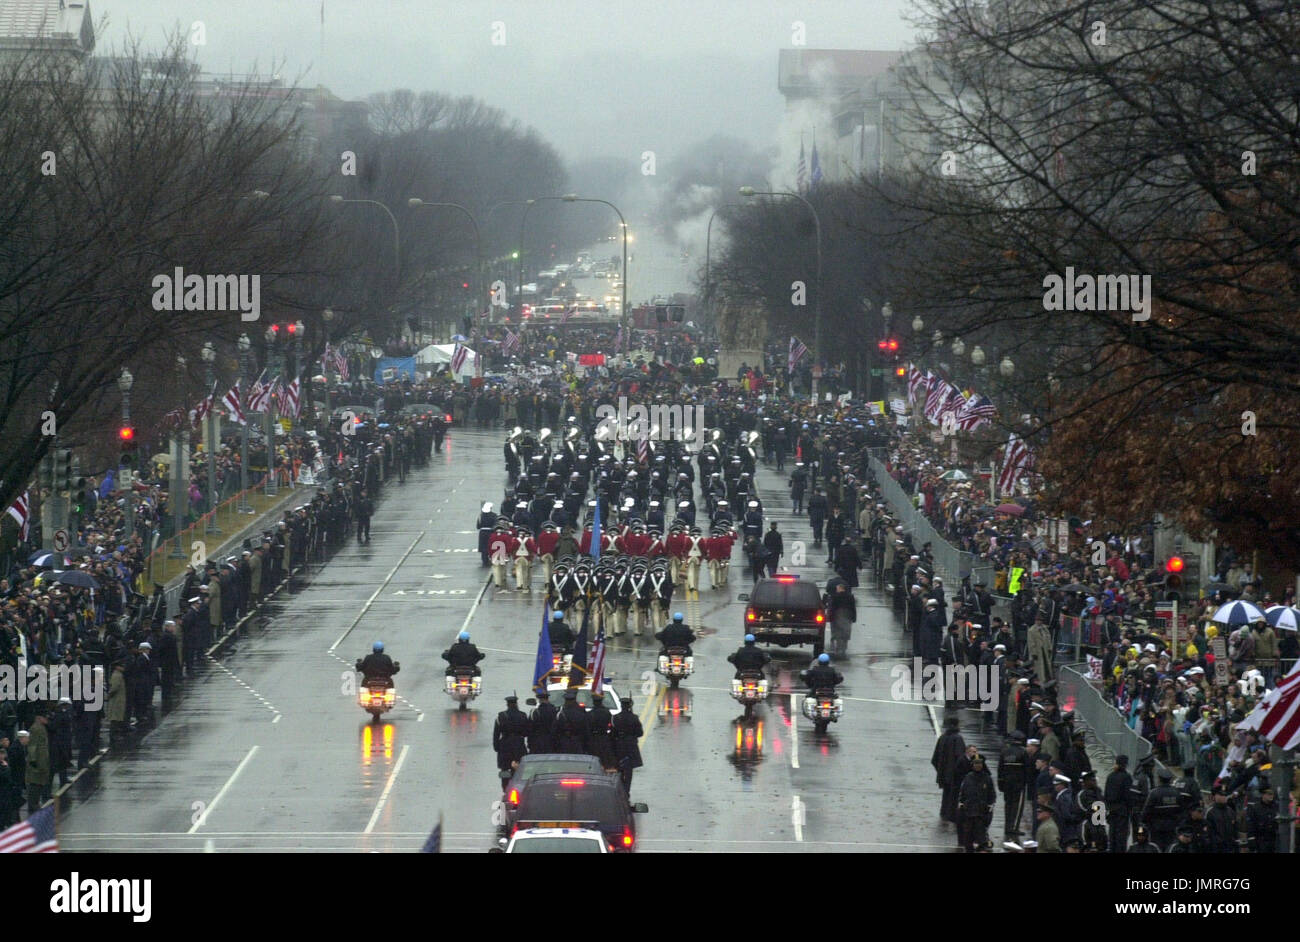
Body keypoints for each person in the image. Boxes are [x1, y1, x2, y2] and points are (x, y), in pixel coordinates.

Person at [957, 753, 996, 852]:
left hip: (981, 813)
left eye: (980, 763)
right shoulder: (968, 778)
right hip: (969, 812)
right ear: (972, 765)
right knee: (968, 838)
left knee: (981, 838)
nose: (978, 765)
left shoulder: (987, 778)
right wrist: (961, 805)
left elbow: (992, 794)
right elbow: (962, 793)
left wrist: (990, 807)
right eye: (975, 763)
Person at [492, 695, 532, 792]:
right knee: (519, 770)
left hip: (505, 746)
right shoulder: (523, 715)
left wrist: (497, 748)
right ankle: (518, 789)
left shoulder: (500, 716)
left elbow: (496, 734)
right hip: (519, 745)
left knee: (505, 770)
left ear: (507, 704)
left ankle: (506, 790)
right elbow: (527, 732)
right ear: (516, 704)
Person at [932, 716, 966, 823]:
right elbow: (960, 758)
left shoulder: (942, 738)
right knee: (954, 795)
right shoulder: (958, 739)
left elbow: (935, 758)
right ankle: (951, 815)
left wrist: (940, 770)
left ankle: (944, 813)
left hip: (943, 773)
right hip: (954, 775)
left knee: (946, 794)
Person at [997, 731, 1028, 841]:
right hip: (1018, 783)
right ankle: (1013, 827)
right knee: (1016, 806)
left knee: (1008, 805)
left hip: (1006, 782)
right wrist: (1025, 782)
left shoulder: (1004, 751)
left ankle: (1007, 826)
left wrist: (1000, 783)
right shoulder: (1023, 752)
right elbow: (1026, 769)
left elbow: (1000, 769)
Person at [611, 696, 644, 791]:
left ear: (621, 706)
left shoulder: (615, 718)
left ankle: (620, 788)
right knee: (629, 770)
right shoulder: (634, 718)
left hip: (619, 745)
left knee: (620, 768)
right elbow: (640, 733)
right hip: (631, 746)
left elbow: (613, 734)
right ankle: (627, 790)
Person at [1104, 755, 1134, 854]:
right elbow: (1128, 796)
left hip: (1112, 810)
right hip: (1122, 811)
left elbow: (1106, 794)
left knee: (1112, 834)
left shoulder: (1111, 776)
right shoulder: (1126, 777)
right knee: (1121, 837)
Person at [25, 711, 50, 812]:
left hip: (42, 759)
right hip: (37, 760)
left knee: (39, 781)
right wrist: (33, 759)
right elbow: (32, 745)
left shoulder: (41, 728)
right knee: (35, 782)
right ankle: (33, 804)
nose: (47, 720)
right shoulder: (36, 729)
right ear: (39, 718)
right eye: (45, 718)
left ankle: (34, 803)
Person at [586, 690, 617, 772]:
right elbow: (612, 726)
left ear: (593, 702)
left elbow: (587, 728)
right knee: (606, 759)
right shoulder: (607, 712)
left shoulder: (590, 714)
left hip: (593, 739)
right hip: (604, 738)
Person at [552, 689, 590, 754]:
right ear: (574, 700)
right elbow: (586, 731)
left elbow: (554, 731)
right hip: (577, 743)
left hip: (563, 744)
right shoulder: (581, 714)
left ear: (565, 701)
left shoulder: (560, 714)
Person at [826, 580, 856, 657]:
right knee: (846, 630)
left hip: (837, 616)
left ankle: (839, 647)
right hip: (848, 616)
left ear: (839, 588)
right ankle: (844, 646)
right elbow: (853, 608)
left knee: (838, 631)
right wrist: (854, 617)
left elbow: (832, 608)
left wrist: (830, 617)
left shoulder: (835, 597)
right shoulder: (850, 596)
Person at [526, 689, 559, 754]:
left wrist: (529, 743)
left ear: (539, 700)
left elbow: (529, 729)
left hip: (537, 742)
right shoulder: (555, 711)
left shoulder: (534, 712)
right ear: (547, 699)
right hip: (551, 742)